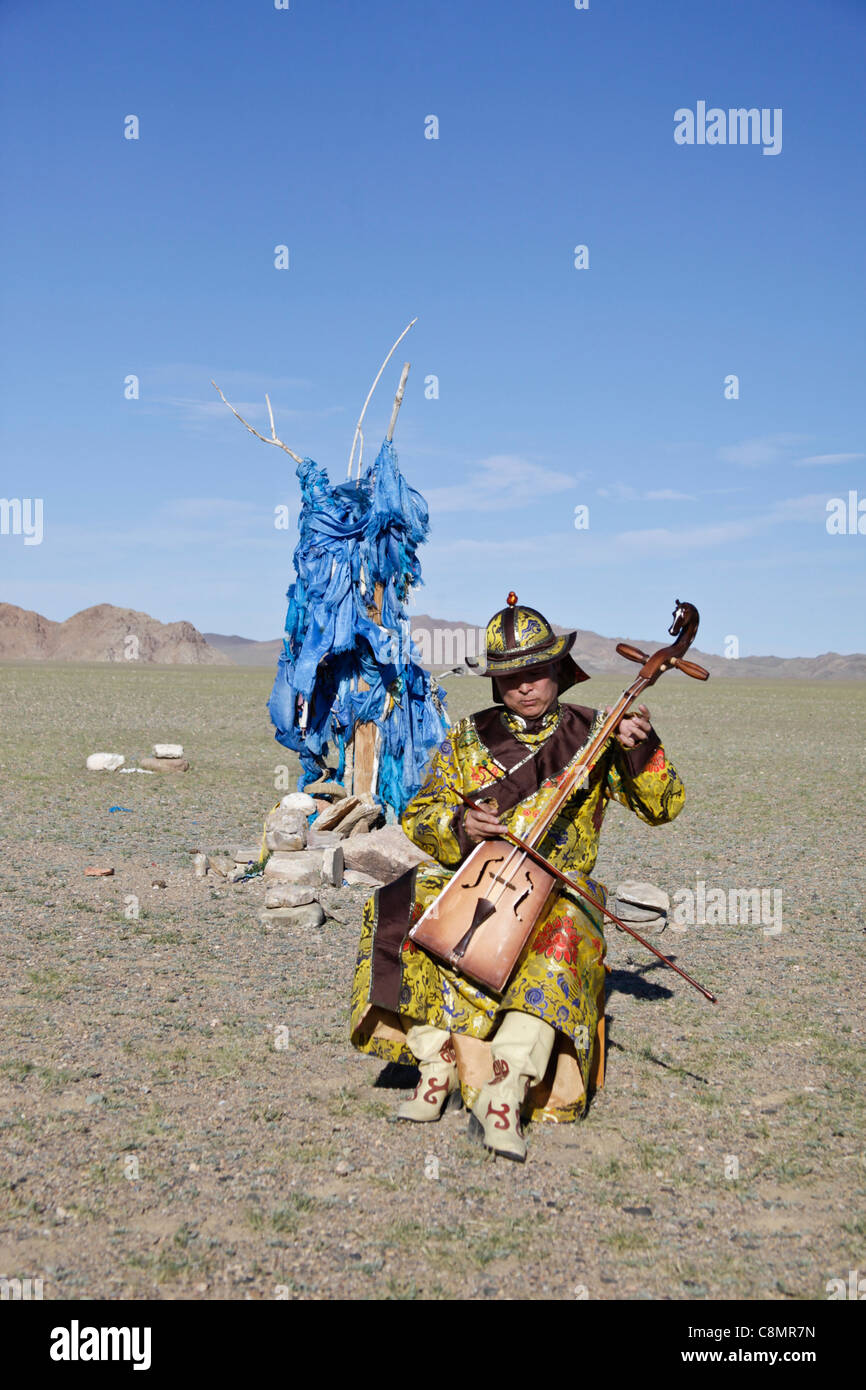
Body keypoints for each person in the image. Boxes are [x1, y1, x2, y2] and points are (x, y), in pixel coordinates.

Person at [349, 594, 686, 1161]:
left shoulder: (599, 732)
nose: (525, 687)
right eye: (511, 678)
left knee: (563, 932)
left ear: (557, 669)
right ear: (495, 683)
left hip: (559, 888)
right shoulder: (466, 737)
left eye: (536, 673)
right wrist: (461, 823)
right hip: (481, 876)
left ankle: (504, 1088)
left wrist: (642, 748)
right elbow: (421, 812)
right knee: (396, 905)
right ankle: (438, 1063)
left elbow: (664, 806)